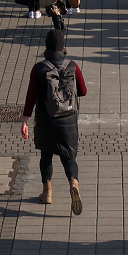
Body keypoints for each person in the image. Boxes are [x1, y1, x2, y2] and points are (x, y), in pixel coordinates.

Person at [20, 29, 87, 212]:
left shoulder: (40, 68)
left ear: (46, 46)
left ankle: (47, 192)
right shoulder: (72, 66)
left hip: (47, 120)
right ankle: (73, 182)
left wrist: (25, 120)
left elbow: (31, 96)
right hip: (68, 120)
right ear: (63, 46)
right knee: (68, 156)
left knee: (46, 155)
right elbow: (83, 91)